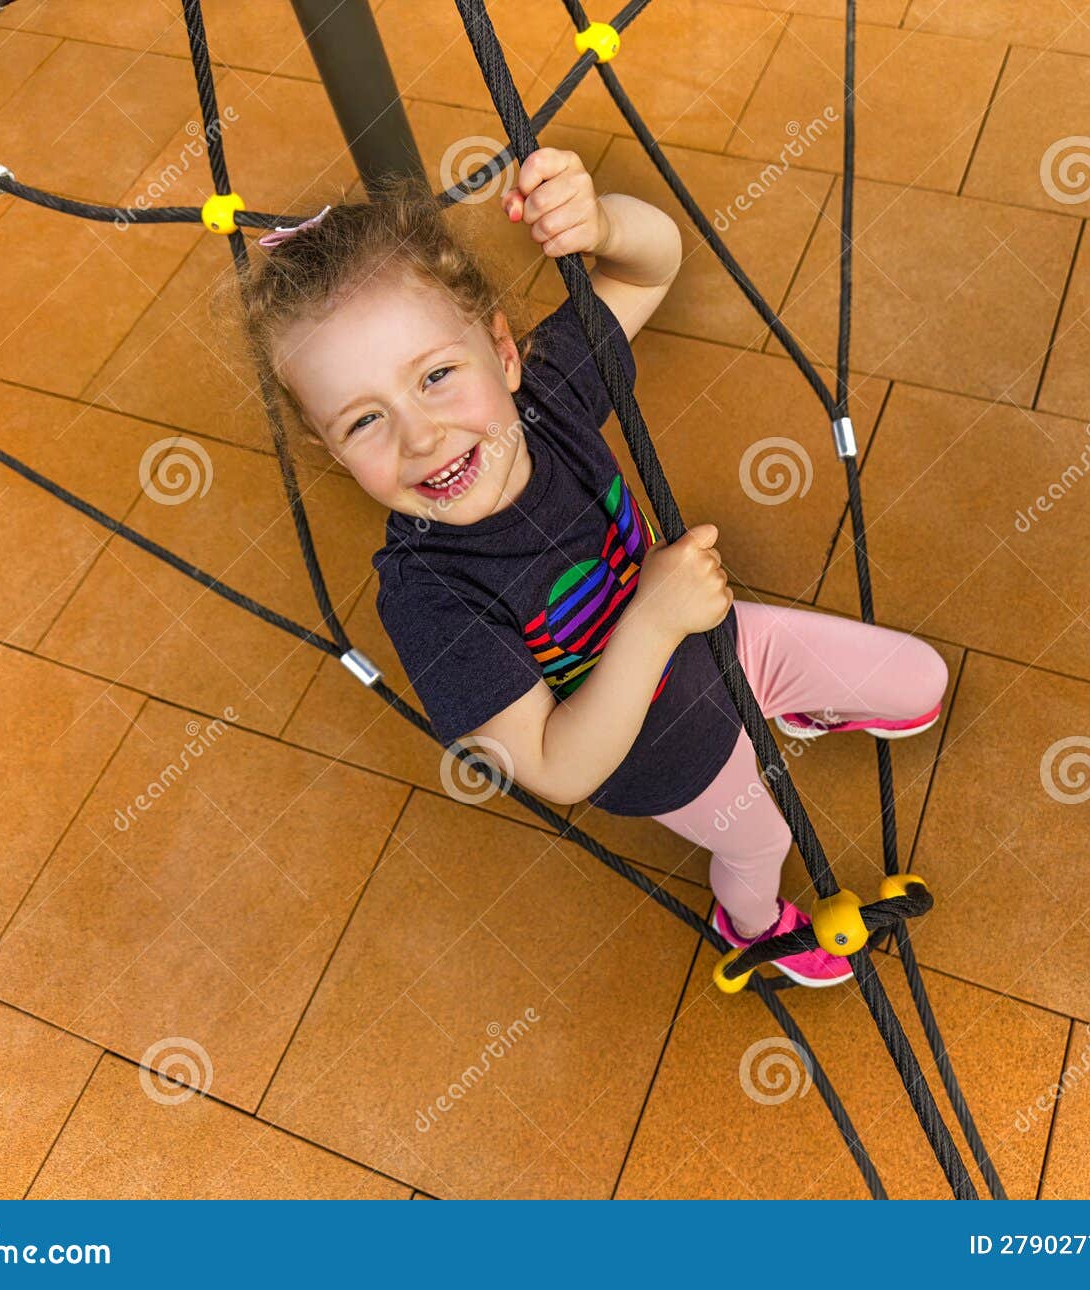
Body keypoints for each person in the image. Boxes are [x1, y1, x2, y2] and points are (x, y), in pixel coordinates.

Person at [236, 149, 947, 987]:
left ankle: (794, 713)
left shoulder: (545, 396)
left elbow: (651, 268)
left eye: (435, 375)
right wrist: (652, 619)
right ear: (329, 447)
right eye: (363, 421)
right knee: (764, 838)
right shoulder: (427, 595)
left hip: (722, 643)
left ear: (503, 352)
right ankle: (752, 928)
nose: (421, 437)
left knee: (922, 685)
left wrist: (606, 223)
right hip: (664, 752)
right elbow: (558, 770)